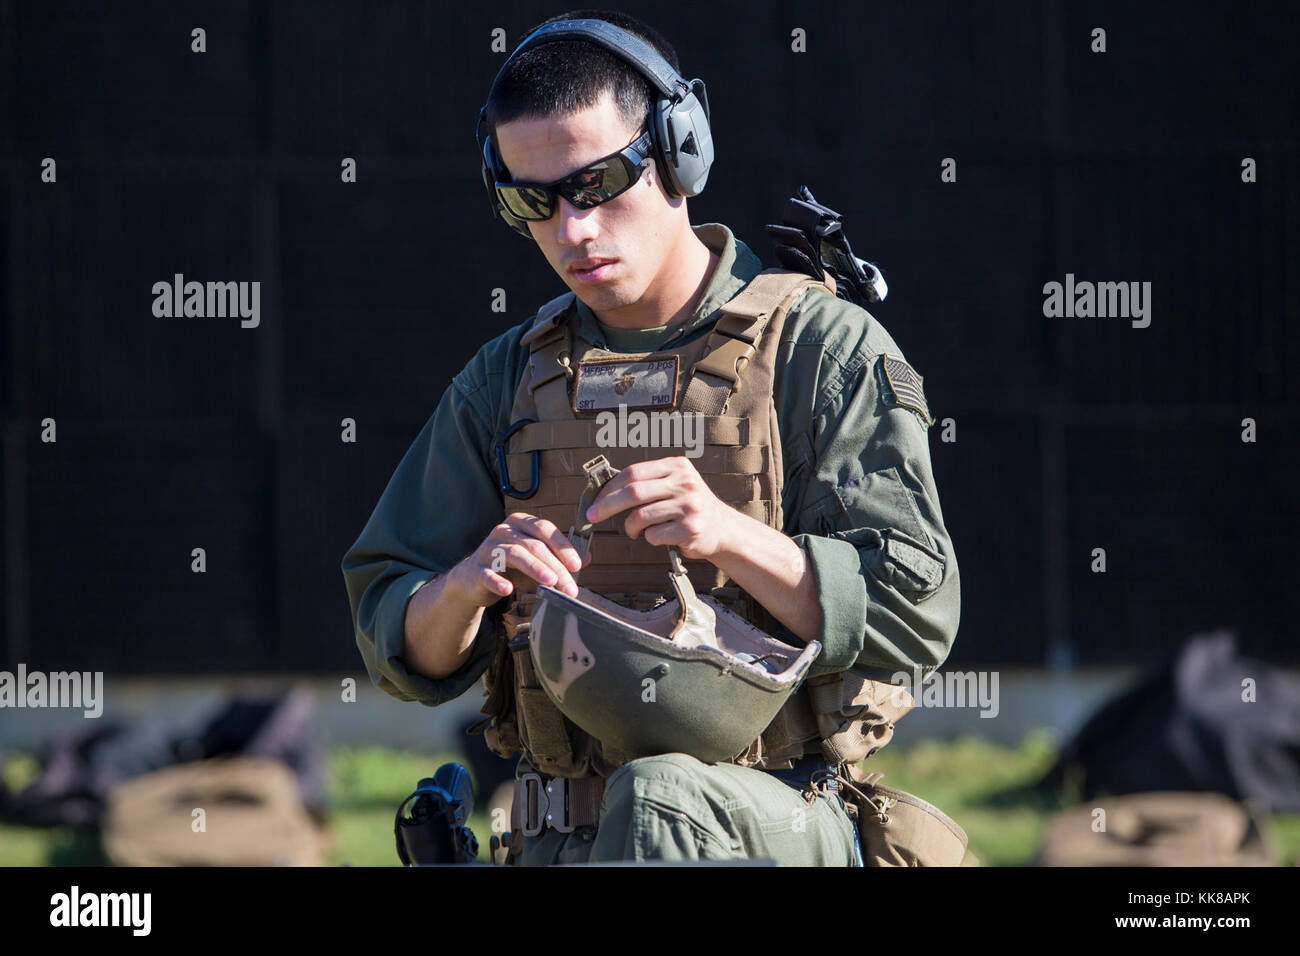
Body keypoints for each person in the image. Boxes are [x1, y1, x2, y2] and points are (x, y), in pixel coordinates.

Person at [341, 9, 960, 866]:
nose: (571, 231)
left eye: (595, 186)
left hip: (770, 821)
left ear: (679, 152)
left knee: (662, 796)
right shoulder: (507, 379)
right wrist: (464, 585)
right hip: (557, 836)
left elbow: (917, 609)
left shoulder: (822, 350)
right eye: (534, 201)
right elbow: (393, 630)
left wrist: (733, 538)